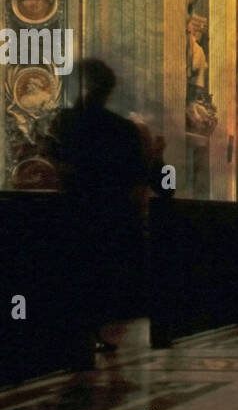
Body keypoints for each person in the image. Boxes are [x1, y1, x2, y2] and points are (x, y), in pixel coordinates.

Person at [46, 59, 159, 369]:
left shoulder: (63, 123)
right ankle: (103, 339)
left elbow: (51, 167)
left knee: (79, 281)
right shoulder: (124, 129)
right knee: (107, 283)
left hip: (75, 213)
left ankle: (82, 340)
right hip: (114, 216)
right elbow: (139, 181)